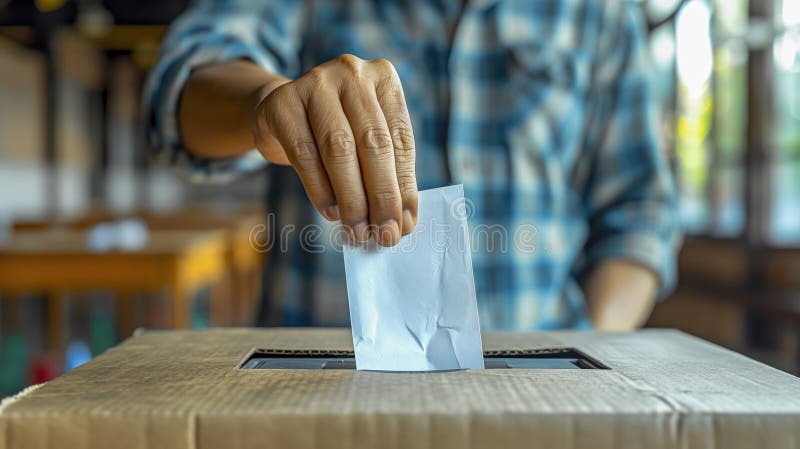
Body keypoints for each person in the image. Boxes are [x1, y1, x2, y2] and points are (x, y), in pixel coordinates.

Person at [144, 0, 680, 330]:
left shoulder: (598, 13)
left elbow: (640, 209)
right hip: (317, 398)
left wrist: (587, 352)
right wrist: (264, 106)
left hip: (541, 393)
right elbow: (181, 83)